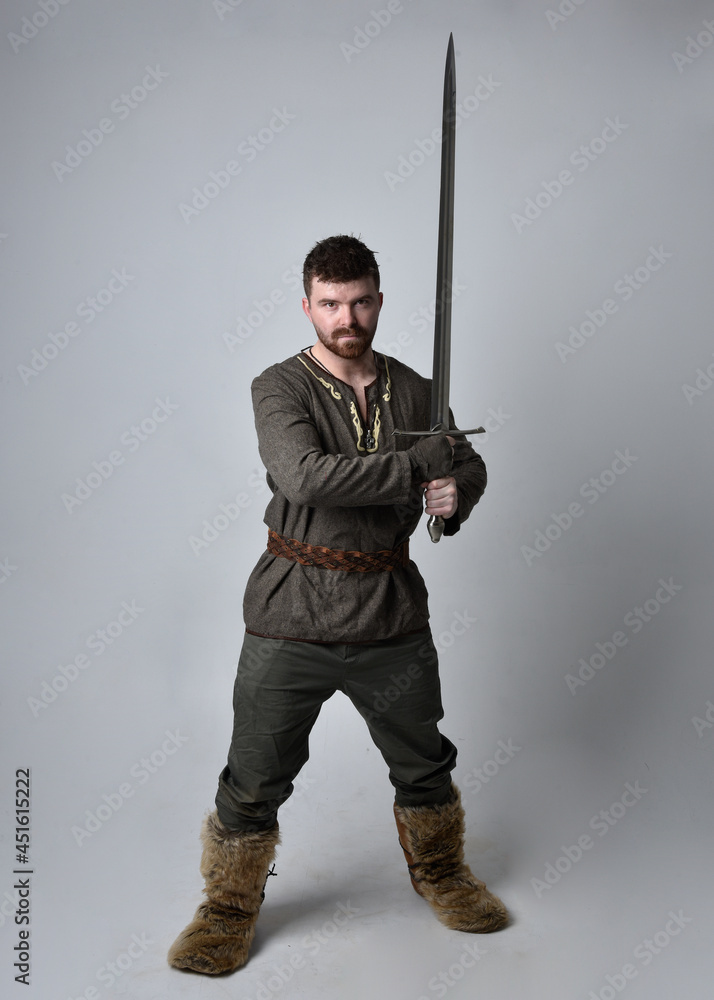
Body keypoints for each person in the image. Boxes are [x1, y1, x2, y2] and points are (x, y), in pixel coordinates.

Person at [168, 234, 508, 976]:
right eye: (330, 303)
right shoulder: (278, 387)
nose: (346, 317)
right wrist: (422, 464)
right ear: (308, 306)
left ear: (378, 301)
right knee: (254, 772)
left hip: (389, 610)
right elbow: (306, 478)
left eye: (358, 302)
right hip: (292, 612)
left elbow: (467, 464)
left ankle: (444, 874)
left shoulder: (417, 389)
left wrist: (455, 498)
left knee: (422, 762)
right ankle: (227, 908)